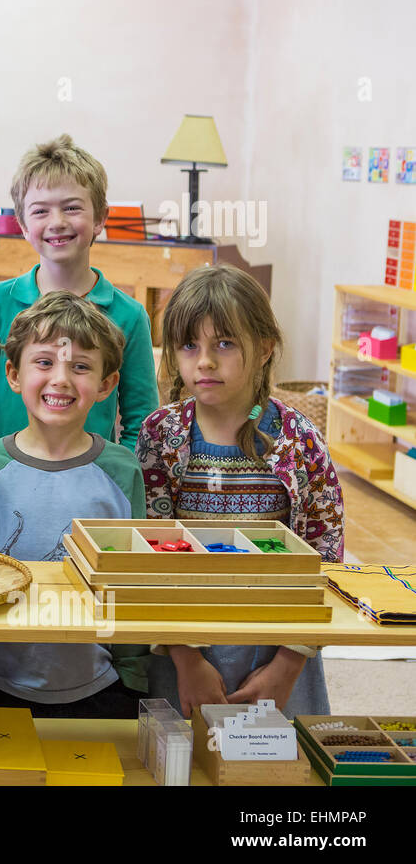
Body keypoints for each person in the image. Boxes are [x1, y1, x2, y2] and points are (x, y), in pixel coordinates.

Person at [137, 264, 344, 718]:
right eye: (190, 345)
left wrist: (288, 663)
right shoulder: (161, 435)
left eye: (224, 344)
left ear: (266, 347)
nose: (204, 361)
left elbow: (325, 553)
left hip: (279, 649)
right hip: (183, 648)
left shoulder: (299, 440)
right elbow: (148, 553)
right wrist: (187, 657)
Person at [0, 291, 147, 717]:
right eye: (44, 362)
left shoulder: (124, 471)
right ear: (12, 374)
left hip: (99, 684)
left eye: (80, 367)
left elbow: (131, 583)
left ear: (106, 384)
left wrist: (136, 674)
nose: (61, 380)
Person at [0, 135, 157, 459]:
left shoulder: (128, 315)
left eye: (72, 208)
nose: (57, 222)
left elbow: (141, 420)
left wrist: (119, 475)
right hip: (0, 492)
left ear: (100, 217)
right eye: (41, 211)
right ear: (22, 223)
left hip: (91, 491)